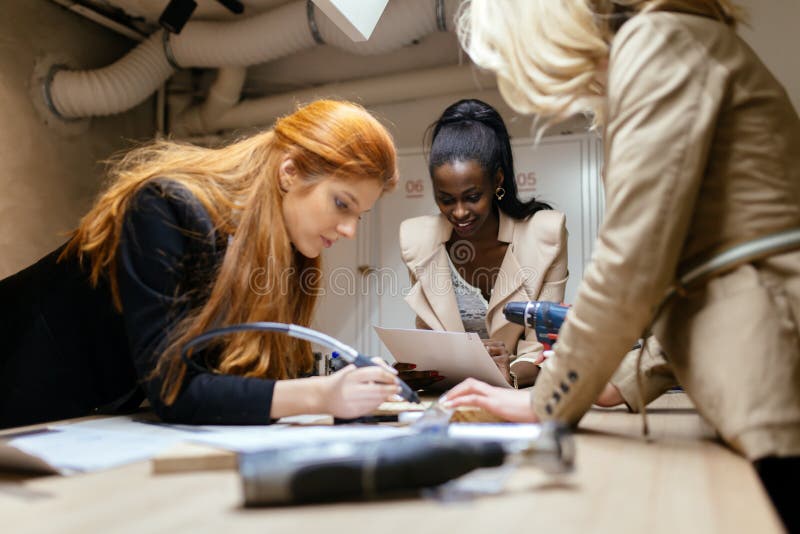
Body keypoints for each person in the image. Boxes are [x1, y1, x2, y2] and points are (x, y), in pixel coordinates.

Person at [443, 1, 800, 528]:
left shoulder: (657, 41)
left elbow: (631, 265)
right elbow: (693, 276)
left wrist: (548, 401)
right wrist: (625, 379)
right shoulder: (673, 41)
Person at [0, 100, 403, 429]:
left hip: (72, 412)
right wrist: (321, 394)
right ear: (290, 171)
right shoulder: (165, 208)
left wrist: (350, 386)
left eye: (359, 215)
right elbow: (176, 390)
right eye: (341, 204)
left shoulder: (282, 255)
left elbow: (232, 379)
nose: (349, 230)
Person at [397, 99, 568, 389]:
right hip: (452, 400)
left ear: (497, 180)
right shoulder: (417, 240)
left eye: (472, 196)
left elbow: (543, 350)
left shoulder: (545, 234)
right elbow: (429, 341)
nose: (459, 212)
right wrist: (417, 371)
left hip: (518, 398)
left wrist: (509, 371)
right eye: (446, 199)